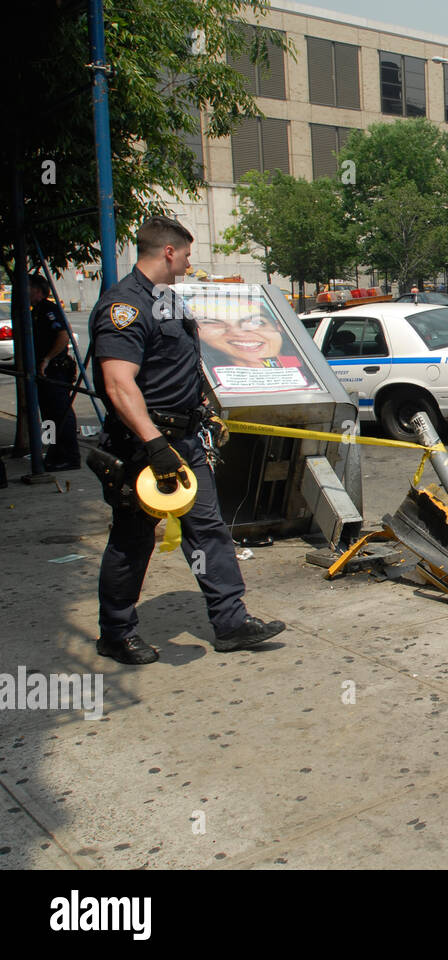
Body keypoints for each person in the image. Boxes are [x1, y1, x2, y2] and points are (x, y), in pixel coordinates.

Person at [89, 215, 285, 665]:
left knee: (209, 531)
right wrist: (154, 445)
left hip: (186, 440)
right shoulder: (124, 307)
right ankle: (116, 633)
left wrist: (207, 411)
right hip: (144, 446)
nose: (191, 263)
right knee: (134, 538)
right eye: (189, 254)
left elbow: (184, 366)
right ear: (169, 252)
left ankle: (231, 623)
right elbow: (120, 385)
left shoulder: (169, 302)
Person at [29, 274, 81, 471]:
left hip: (54, 370)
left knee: (61, 413)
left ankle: (69, 456)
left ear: (37, 290)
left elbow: (63, 335)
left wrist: (47, 359)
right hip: (43, 371)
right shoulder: (36, 311)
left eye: (28, 287)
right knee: (48, 415)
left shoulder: (49, 309)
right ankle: (53, 452)